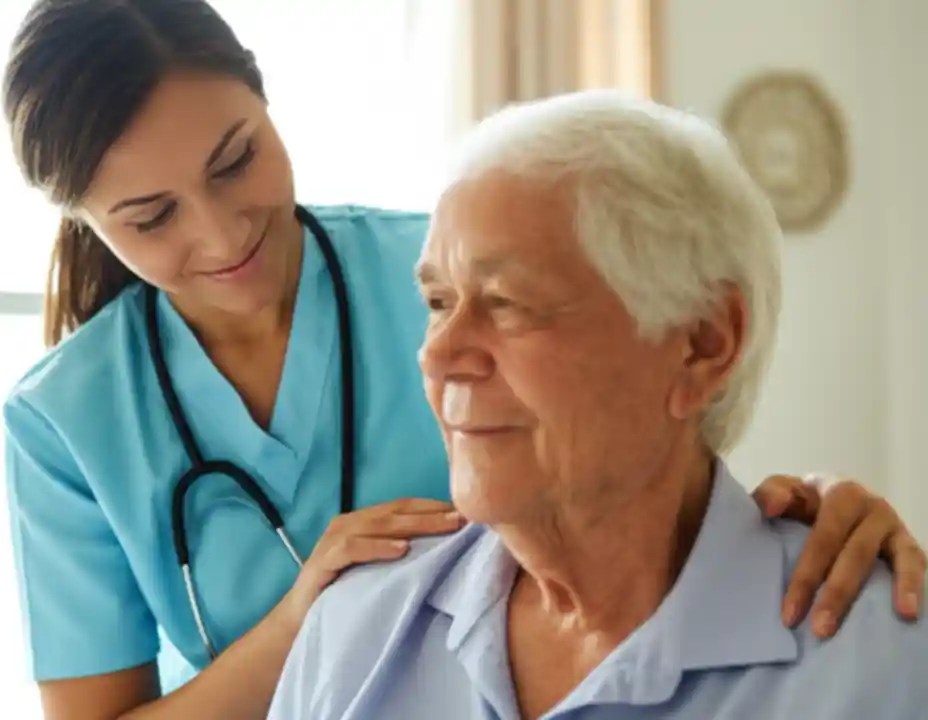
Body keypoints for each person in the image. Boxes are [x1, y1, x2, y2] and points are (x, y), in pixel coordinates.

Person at [0, 2, 925, 718]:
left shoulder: (446, 252)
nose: (219, 230)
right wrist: (303, 623)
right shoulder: (66, 419)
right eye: (150, 217)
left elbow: (651, 434)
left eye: (236, 160)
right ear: (89, 225)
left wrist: (797, 516)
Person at [268, 90, 928, 720]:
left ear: (702, 344)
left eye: (506, 303)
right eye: (438, 303)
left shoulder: (885, 666)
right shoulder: (353, 630)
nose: (438, 355)